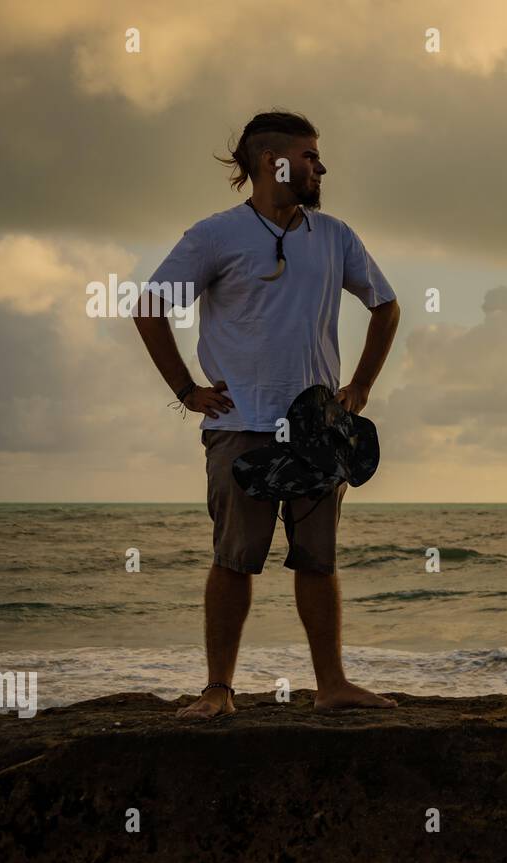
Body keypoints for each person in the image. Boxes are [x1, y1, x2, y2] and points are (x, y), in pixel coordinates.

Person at [132, 110, 401, 718]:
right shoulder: (214, 235)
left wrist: (358, 386)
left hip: (318, 431)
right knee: (235, 559)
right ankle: (218, 692)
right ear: (271, 162)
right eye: (309, 156)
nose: (320, 166)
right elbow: (149, 307)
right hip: (239, 426)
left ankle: (332, 686)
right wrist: (185, 389)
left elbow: (385, 307)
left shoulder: (335, 236)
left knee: (318, 559)